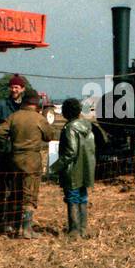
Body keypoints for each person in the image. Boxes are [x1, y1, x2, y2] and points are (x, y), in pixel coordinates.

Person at [0, 90, 53, 238]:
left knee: (15, 192)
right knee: (30, 194)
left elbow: (0, 133)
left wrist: (5, 147)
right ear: (36, 103)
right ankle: (27, 229)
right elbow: (49, 136)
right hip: (32, 160)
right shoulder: (39, 119)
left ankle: (11, 226)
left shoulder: (13, 117)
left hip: (14, 159)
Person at [52, 98, 95, 237]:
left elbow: (71, 151)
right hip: (85, 169)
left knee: (72, 197)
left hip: (72, 170)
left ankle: (74, 231)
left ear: (66, 112)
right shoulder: (87, 125)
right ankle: (83, 229)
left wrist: (54, 167)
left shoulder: (70, 127)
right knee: (82, 197)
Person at [0, 74, 27, 233]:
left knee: (18, 187)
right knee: (3, 187)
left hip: (20, 152)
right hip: (5, 152)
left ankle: (14, 220)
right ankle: (0, 221)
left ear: (22, 89)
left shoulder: (25, 106)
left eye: (17, 87)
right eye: (12, 87)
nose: (14, 90)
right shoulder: (1, 105)